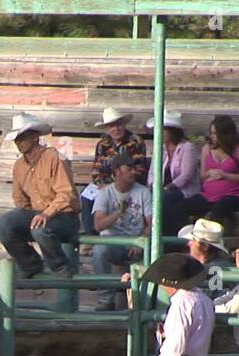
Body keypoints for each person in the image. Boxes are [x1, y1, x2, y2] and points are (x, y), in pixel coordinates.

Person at [0, 113, 80, 278]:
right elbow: (21, 201)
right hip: (38, 215)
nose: (18, 142)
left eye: (22, 137)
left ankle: (60, 266)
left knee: (40, 229)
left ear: (35, 137)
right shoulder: (19, 166)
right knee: (4, 224)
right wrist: (30, 216)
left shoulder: (54, 157)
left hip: (65, 217)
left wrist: (46, 214)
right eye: (16, 139)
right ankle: (30, 264)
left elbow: (66, 193)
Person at [165, 115, 239, 235]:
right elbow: (202, 175)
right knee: (181, 207)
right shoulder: (207, 148)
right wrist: (210, 173)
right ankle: (185, 239)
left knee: (220, 208)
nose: (212, 136)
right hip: (208, 196)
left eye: (215, 134)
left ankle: (212, 242)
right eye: (211, 133)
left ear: (225, 134)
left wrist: (225, 175)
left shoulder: (238, 149)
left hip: (234, 195)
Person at [91, 154, 152, 310]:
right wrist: (119, 212)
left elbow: (152, 224)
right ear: (117, 171)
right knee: (99, 250)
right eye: (129, 168)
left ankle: (148, 302)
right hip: (113, 244)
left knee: (157, 251)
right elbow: (98, 225)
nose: (134, 172)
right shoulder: (105, 193)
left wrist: (140, 241)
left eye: (134, 168)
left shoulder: (143, 192)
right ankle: (106, 300)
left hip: (136, 243)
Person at [81, 107, 148, 234]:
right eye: (112, 126)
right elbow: (96, 169)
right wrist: (100, 183)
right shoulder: (102, 143)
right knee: (86, 196)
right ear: (107, 128)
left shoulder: (136, 141)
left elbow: (139, 169)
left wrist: (112, 185)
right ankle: (91, 236)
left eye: (119, 125)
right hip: (105, 184)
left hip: (129, 184)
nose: (116, 129)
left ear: (124, 125)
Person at [145, 110, 200, 212]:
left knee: (164, 199)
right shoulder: (160, 148)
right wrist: (153, 185)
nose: (158, 132)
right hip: (161, 190)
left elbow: (186, 175)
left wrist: (167, 188)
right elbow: (152, 171)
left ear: (173, 131)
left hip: (184, 192)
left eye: (163, 129)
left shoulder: (187, 148)